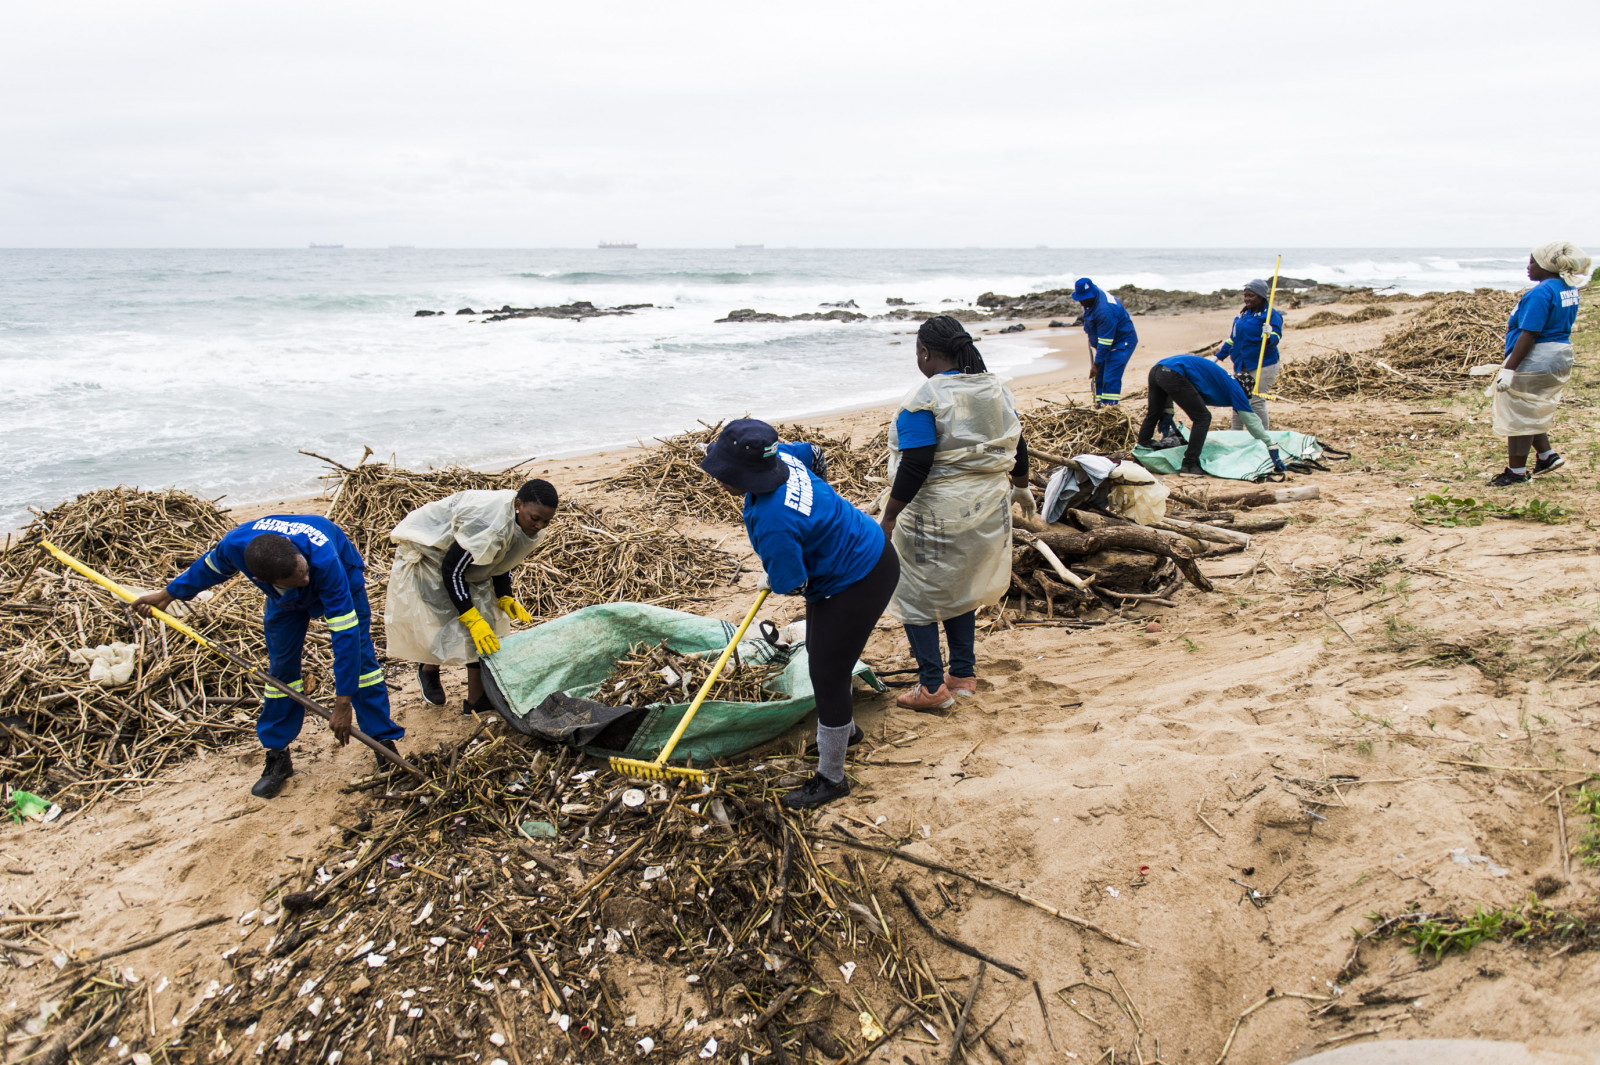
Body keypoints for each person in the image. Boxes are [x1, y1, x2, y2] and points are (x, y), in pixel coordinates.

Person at [700, 419, 899, 810]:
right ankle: (847, 732)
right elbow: (817, 454)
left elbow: (792, 582)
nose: (718, 479)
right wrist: (817, 510)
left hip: (854, 581)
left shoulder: (771, 519)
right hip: (871, 550)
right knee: (830, 660)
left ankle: (831, 777)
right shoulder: (784, 457)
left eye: (724, 472)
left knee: (826, 673)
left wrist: (776, 571)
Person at [131, 515, 402, 798]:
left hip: (341, 575)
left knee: (361, 660)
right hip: (283, 597)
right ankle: (278, 754)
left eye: (304, 572)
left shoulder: (322, 563)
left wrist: (343, 703)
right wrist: (168, 594)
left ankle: (381, 741)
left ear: (291, 546)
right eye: (300, 581)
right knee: (281, 671)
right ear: (257, 579)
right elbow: (208, 569)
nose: (307, 580)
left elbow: (344, 637)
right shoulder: (234, 546)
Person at [881, 315, 1028, 711]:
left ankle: (931, 687)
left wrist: (891, 514)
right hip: (985, 509)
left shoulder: (923, 399)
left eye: (917, 352)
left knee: (918, 593)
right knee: (962, 586)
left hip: (933, 513)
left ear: (925, 353)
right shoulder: (994, 389)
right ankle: (962, 675)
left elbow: (916, 463)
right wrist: (1023, 484)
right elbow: (1018, 440)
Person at [386, 480, 559, 713]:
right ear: (518, 505)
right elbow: (452, 570)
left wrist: (504, 596)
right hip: (431, 554)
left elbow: (501, 560)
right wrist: (471, 617)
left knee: (486, 624)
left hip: (463, 559)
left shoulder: (524, 526)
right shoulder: (488, 524)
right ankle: (428, 668)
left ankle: (476, 700)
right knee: (447, 618)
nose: (539, 525)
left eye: (546, 521)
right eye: (535, 518)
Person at [1487, 242, 1590, 486]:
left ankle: (1516, 472)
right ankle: (1546, 456)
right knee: (1530, 407)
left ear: (1547, 265)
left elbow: (1530, 333)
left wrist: (1509, 368)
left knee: (1518, 413)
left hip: (1537, 356)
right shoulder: (1567, 287)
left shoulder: (1541, 292)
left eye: (1533, 261)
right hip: (1559, 353)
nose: (1528, 266)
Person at [1137, 354, 1283, 477]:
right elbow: (1251, 421)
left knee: (1154, 413)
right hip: (1173, 373)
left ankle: (1141, 450)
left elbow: (1173, 383)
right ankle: (1189, 464)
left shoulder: (1222, 380)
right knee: (1203, 418)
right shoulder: (1236, 388)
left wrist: (1167, 410)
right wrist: (1270, 443)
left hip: (1158, 369)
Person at [1212, 278, 1284, 430]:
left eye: (1251, 295)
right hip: (1241, 364)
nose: (1247, 299)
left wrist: (1270, 334)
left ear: (1261, 296)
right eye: (1245, 295)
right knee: (1238, 400)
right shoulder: (1242, 316)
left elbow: (1276, 338)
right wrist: (1218, 357)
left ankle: (1265, 438)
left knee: (1256, 401)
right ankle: (1235, 434)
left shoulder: (1270, 314)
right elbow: (1233, 339)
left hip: (1263, 365)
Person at [1072, 277, 1139, 406]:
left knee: (1110, 377)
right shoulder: (1091, 301)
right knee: (1099, 378)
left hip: (1121, 342)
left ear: (1091, 295)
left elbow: (1105, 341)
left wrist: (1096, 365)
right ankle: (1099, 406)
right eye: (1080, 299)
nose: (1081, 302)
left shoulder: (1105, 311)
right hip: (1106, 343)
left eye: (1084, 299)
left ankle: (1110, 408)